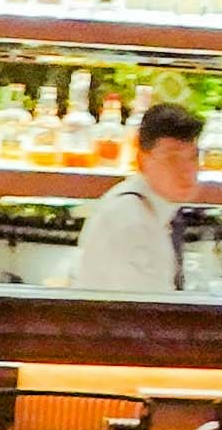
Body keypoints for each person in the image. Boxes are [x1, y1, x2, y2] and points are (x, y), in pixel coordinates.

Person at [63, 103, 207, 293]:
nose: (187, 170)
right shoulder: (132, 221)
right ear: (141, 161)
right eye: (173, 159)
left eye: (193, 158)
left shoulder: (151, 210)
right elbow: (150, 308)